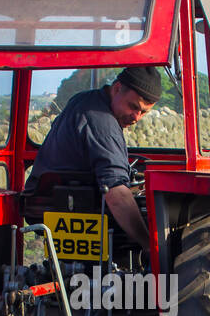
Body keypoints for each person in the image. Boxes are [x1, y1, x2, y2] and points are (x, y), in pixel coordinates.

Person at [28, 66, 161, 256]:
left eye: (144, 112)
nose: (136, 118)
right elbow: (116, 195)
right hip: (72, 206)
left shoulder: (84, 100)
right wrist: (149, 245)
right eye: (133, 107)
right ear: (117, 89)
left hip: (52, 200)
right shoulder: (102, 122)